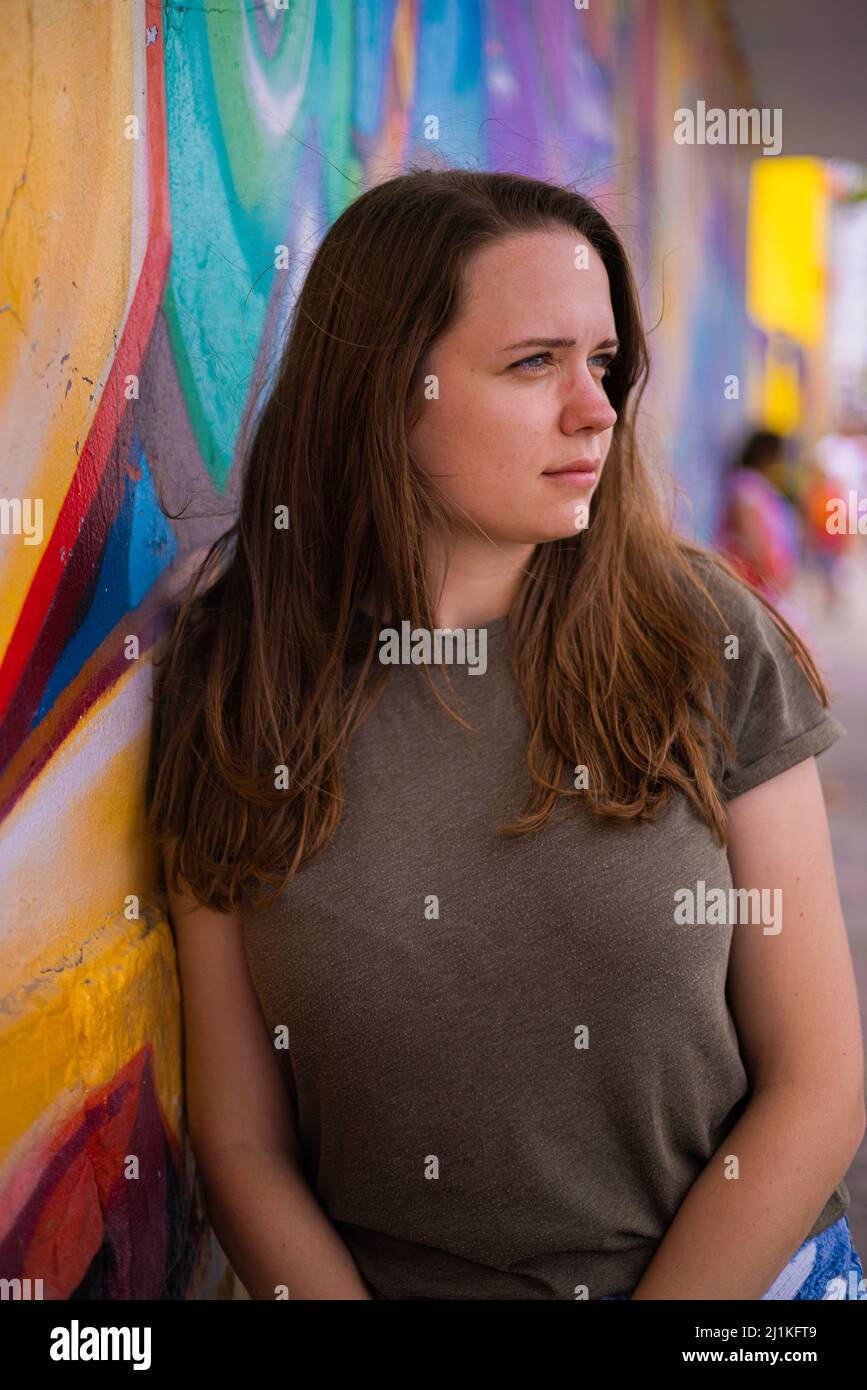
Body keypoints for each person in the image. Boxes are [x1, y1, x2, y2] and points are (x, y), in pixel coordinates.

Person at [147, 168, 865, 1301]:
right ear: (387, 390)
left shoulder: (699, 636)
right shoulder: (237, 678)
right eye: (536, 363)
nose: (596, 409)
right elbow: (241, 1143)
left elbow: (818, 1082)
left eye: (604, 365)